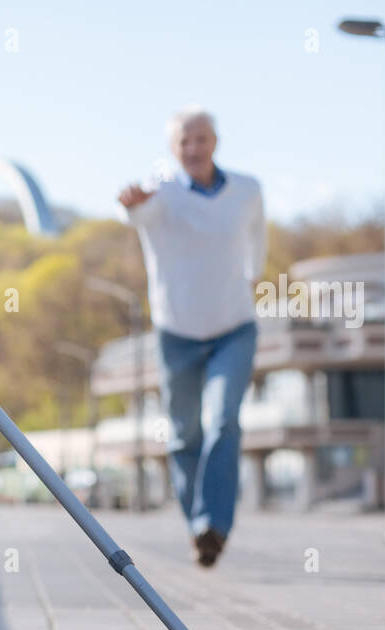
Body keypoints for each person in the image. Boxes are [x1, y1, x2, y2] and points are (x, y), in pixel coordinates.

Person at [118, 107, 266, 567]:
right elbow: (137, 212)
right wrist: (132, 202)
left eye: (201, 139)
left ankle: (214, 525)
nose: (194, 149)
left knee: (224, 420)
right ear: (173, 148)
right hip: (176, 332)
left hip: (233, 328)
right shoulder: (160, 193)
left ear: (215, 141)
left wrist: (251, 279)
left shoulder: (247, 190)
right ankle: (197, 527)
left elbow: (258, 242)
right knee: (184, 434)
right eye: (184, 141)